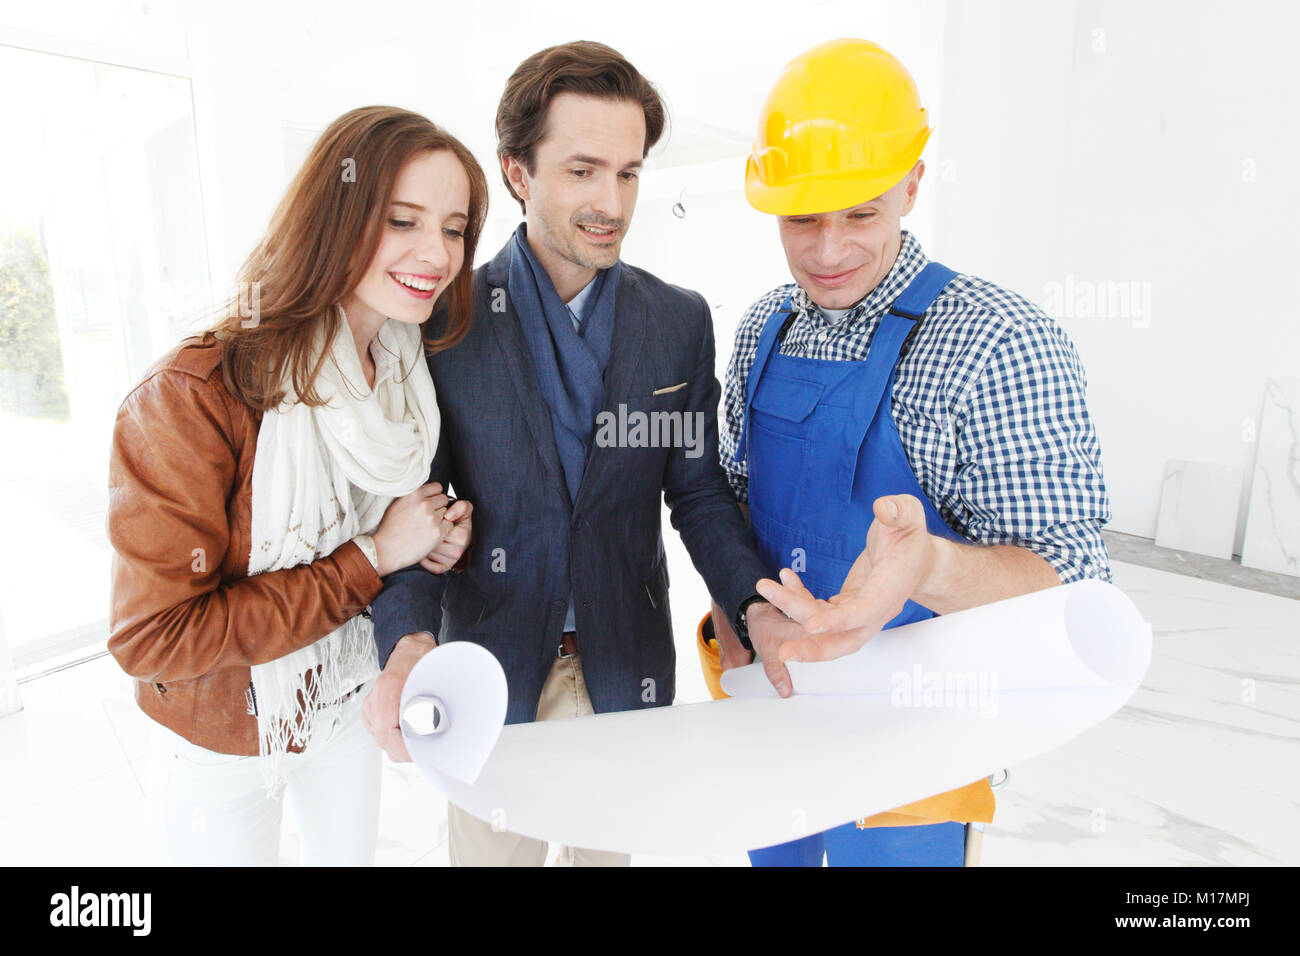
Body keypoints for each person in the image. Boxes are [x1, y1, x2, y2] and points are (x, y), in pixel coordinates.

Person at [363, 41, 801, 867]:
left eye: (629, 173)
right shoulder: (442, 318)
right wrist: (406, 645)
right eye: (583, 171)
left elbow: (699, 494)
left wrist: (752, 606)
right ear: (518, 174)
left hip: (626, 664)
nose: (612, 202)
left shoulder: (675, 321)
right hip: (488, 670)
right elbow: (407, 508)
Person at [701, 38, 1113, 867]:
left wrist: (926, 567)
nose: (826, 253)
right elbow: (734, 495)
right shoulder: (763, 327)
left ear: (913, 182)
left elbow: (1076, 580)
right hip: (772, 719)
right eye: (802, 219)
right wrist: (734, 606)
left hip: (916, 755)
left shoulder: (998, 340)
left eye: (860, 213)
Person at [106, 106, 485, 866]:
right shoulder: (196, 391)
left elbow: (393, 520)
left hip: (342, 700)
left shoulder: (408, 367)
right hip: (222, 737)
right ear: (334, 219)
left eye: (453, 228)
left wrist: (432, 538)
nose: (436, 253)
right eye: (402, 220)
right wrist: (374, 555)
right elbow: (153, 638)